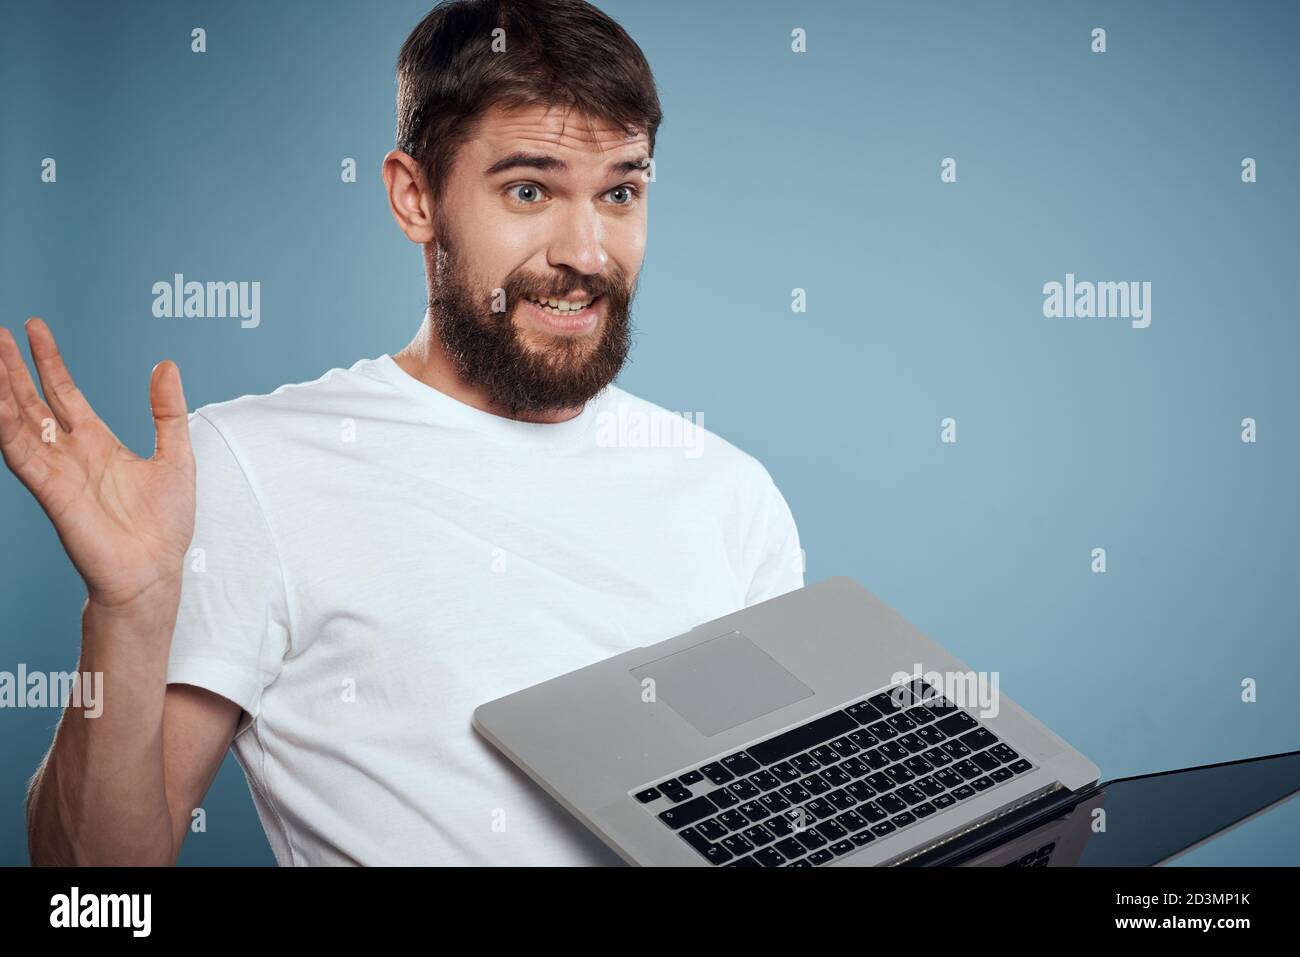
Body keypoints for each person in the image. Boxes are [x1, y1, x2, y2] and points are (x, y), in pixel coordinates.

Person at [7, 0, 803, 866]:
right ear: (414, 195)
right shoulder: (253, 469)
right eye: (529, 189)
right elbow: (88, 903)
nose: (587, 250)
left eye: (620, 191)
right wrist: (125, 614)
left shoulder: (733, 497)